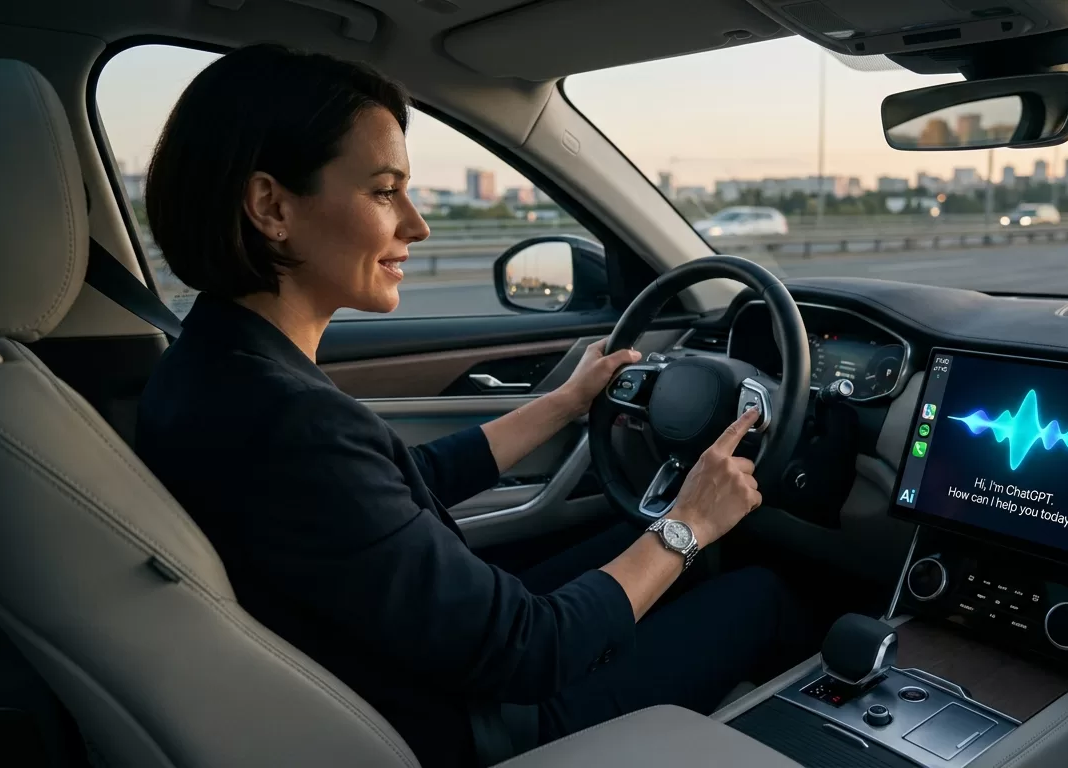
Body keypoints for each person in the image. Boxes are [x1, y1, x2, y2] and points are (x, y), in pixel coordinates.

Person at [134, 43, 813, 767]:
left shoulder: (210, 368)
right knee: (758, 593)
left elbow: (404, 483)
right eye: (385, 191)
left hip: (409, 679)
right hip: (480, 727)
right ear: (272, 206)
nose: (416, 225)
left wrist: (562, 403)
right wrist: (691, 522)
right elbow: (531, 649)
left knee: (660, 545)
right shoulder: (288, 421)